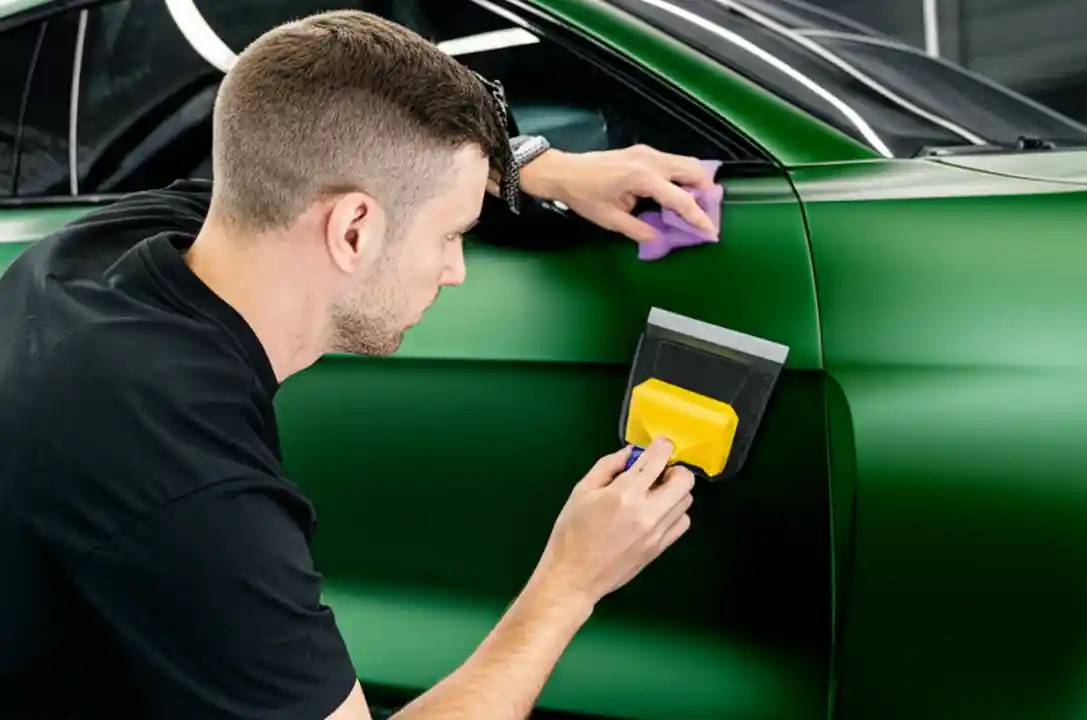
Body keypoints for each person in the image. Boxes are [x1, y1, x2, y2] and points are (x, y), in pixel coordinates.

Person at [0, 10, 717, 719]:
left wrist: (542, 168)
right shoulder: (189, 484)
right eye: (451, 235)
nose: (456, 270)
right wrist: (569, 584)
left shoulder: (126, 243)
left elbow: (334, 153)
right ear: (353, 230)